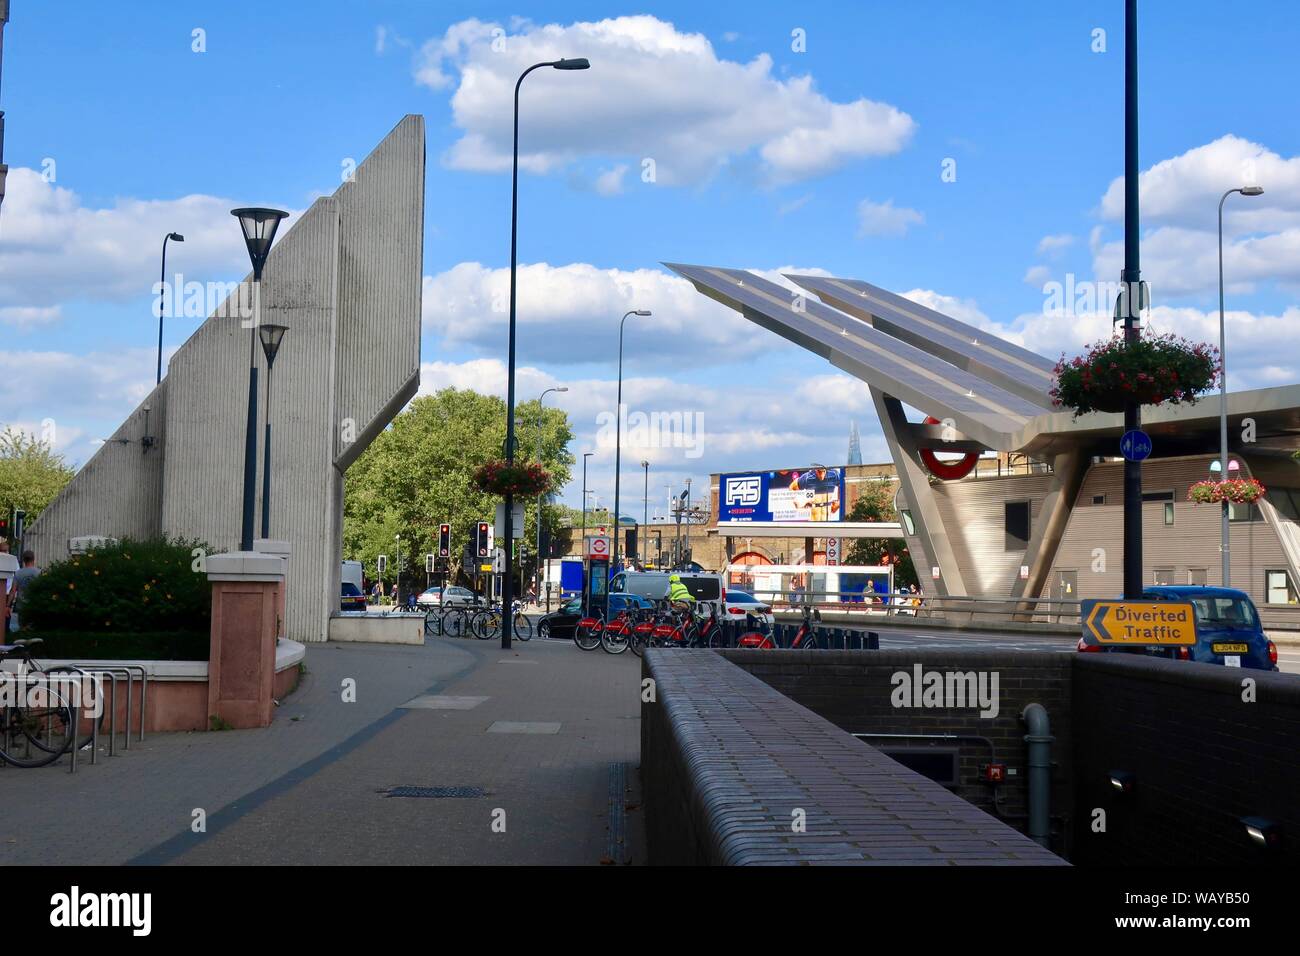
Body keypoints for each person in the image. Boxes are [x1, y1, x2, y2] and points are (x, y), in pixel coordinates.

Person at [9, 550, 41, 631]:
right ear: (33, 559)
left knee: (22, 629)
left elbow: (13, 591)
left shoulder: (18, 573)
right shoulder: (39, 572)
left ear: (23, 560)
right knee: (33, 630)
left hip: (21, 607)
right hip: (34, 606)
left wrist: (7, 605)